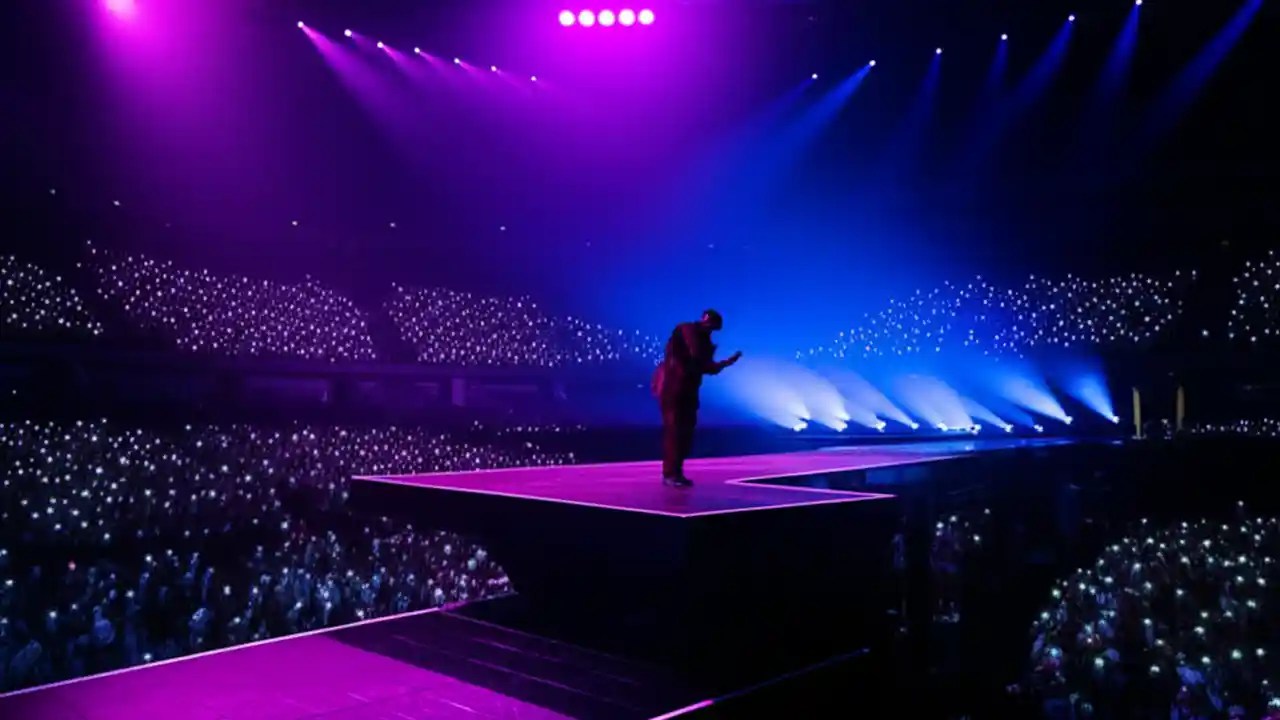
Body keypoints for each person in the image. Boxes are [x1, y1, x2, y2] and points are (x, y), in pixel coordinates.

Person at [652, 309, 741, 487]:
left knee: (684, 431)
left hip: (686, 390)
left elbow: (703, 365)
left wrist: (724, 363)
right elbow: (699, 359)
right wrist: (720, 363)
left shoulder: (699, 337)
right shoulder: (688, 331)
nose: (711, 331)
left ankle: (675, 471)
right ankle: (671, 473)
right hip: (674, 388)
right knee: (675, 430)